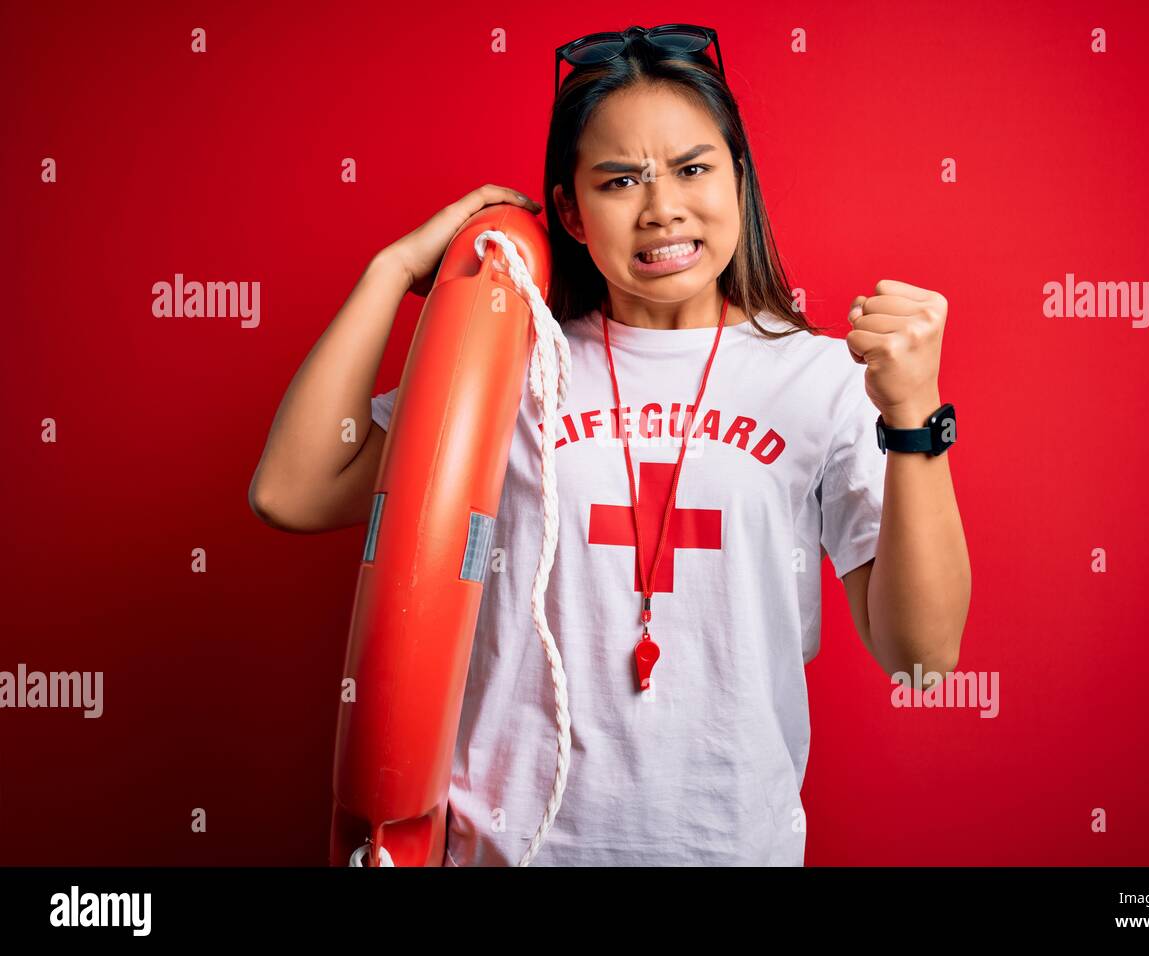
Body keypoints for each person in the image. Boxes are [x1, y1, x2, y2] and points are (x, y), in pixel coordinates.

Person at [249, 24, 970, 866]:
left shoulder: (820, 378)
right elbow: (291, 493)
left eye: (694, 168)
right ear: (570, 212)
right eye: (621, 180)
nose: (662, 207)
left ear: (739, 180)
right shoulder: (511, 363)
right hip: (510, 850)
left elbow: (923, 655)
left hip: (731, 847)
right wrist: (399, 270)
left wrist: (915, 411)